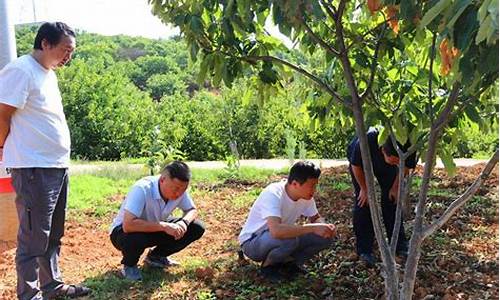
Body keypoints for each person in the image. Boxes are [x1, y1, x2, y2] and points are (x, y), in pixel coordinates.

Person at [0, 22, 91, 299]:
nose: (68, 56)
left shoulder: (47, 74)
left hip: (56, 166)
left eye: (71, 51)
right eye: (65, 50)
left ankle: (52, 285)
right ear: (45, 44)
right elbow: (2, 113)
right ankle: (29, 294)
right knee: (33, 237)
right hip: (33, 167)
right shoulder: (20, 70)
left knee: (53, 233)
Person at [238, 161, 336, 282]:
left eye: (315, 185)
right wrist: (313, 228)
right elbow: (276, 231)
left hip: (279, 239)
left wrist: (324, 226)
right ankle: (268, 267)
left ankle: (291, 264)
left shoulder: (306, 197)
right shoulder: (273, 193)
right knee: (289, 239)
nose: (314, 190)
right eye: (311, 186)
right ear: (295, 184)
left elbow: (316, 218)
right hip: (252, 243)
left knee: (324, 238)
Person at [110, 161, 205, 281]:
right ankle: (129, 265)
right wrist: (164, 227)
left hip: (156, 226)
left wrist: (184, 222)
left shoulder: (179, 190)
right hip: (124, 232)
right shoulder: (142, 188)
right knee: (134, 238)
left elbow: (192, 210)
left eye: (183, 189)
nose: (179, 193)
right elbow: (128, 225)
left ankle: (156, 257)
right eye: (175, 189)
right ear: (162, 180)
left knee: (196, 227)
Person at [347, 127, 417, 267]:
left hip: (385, 166)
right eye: (393, 162)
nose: (396, 165)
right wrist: (364, 189)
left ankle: (400, 245)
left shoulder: (407, 143)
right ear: (383, 150)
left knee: (391, 200)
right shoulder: (365, 141)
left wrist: (395, 187)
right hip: (360, 165)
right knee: (364, 201)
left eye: (398, 163)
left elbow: (406, 168)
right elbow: (355, 165)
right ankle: (364, 249)